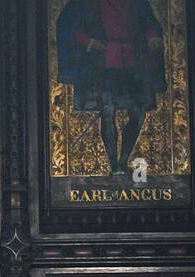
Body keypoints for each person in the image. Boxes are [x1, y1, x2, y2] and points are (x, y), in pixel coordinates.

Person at [56, 0, 165, 174]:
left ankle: (124, 160)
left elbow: (149, 21)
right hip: (102, 64)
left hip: (133, 63)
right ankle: (114, 165)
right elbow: (68, 25)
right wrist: (89, 42)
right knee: (108, 111)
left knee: (138, 112)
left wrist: (153, 37)